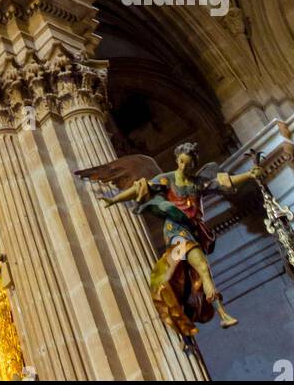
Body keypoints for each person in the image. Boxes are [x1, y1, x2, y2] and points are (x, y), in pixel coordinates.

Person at [103, 140, 262, 337]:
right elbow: (141, 188)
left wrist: (248, 174)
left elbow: (222, 182)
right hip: (176, 231)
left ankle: (178, 302)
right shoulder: (167, 180)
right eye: (181, 162)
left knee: (189, 275)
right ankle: (223, 314)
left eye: (188, 164)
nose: (183, 167)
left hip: (193, 231)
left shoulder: (197, 183)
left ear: (194, 164)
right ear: (177, 160)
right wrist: (114, 199)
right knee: (203, 268)